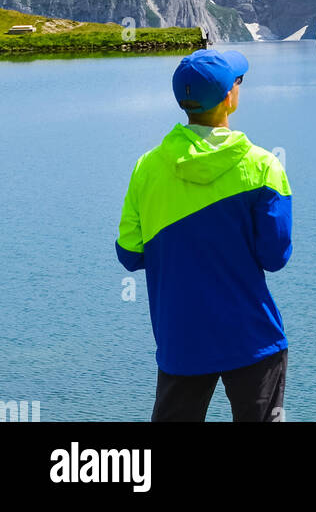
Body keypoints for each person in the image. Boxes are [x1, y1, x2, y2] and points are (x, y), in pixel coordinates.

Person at [115, 47, 293, 422]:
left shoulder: (147, 167)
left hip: (181, 338)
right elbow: (275, 257)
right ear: (229, 98)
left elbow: (130, 254)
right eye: (238, 81)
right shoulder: (263, 167)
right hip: (252, 338)